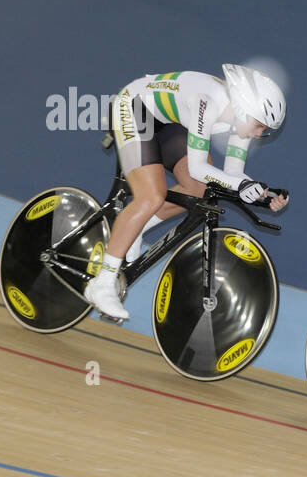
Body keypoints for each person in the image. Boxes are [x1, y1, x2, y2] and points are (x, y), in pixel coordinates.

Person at [84, 65, 289, 320]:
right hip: (134, 107)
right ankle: (102, 283)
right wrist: (240, 186)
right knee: (152, 196)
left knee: (199, 191)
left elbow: (233, 175)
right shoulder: (209, 100)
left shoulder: (242, 121)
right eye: (259, 125)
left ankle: (138, 226)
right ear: (243, 107)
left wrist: (258, 193)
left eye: (265, 129)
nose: (260, 134)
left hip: (168, 121)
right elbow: (198, 166)